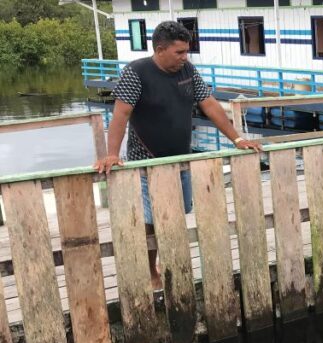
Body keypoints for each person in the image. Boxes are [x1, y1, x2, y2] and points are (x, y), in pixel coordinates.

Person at [93, 20, 262, 290]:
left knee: (176, 214)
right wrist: (112, 154)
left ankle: (170, 264)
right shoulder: (136, 72)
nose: (185, 58)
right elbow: (121, 114)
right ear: (160, 50)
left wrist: (238, 139)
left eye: (187, 52)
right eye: (179, 52)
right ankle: (150, 271)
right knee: (151, 221)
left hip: (179, 160)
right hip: (145, 163)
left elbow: (209, 104)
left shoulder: (188, 71)